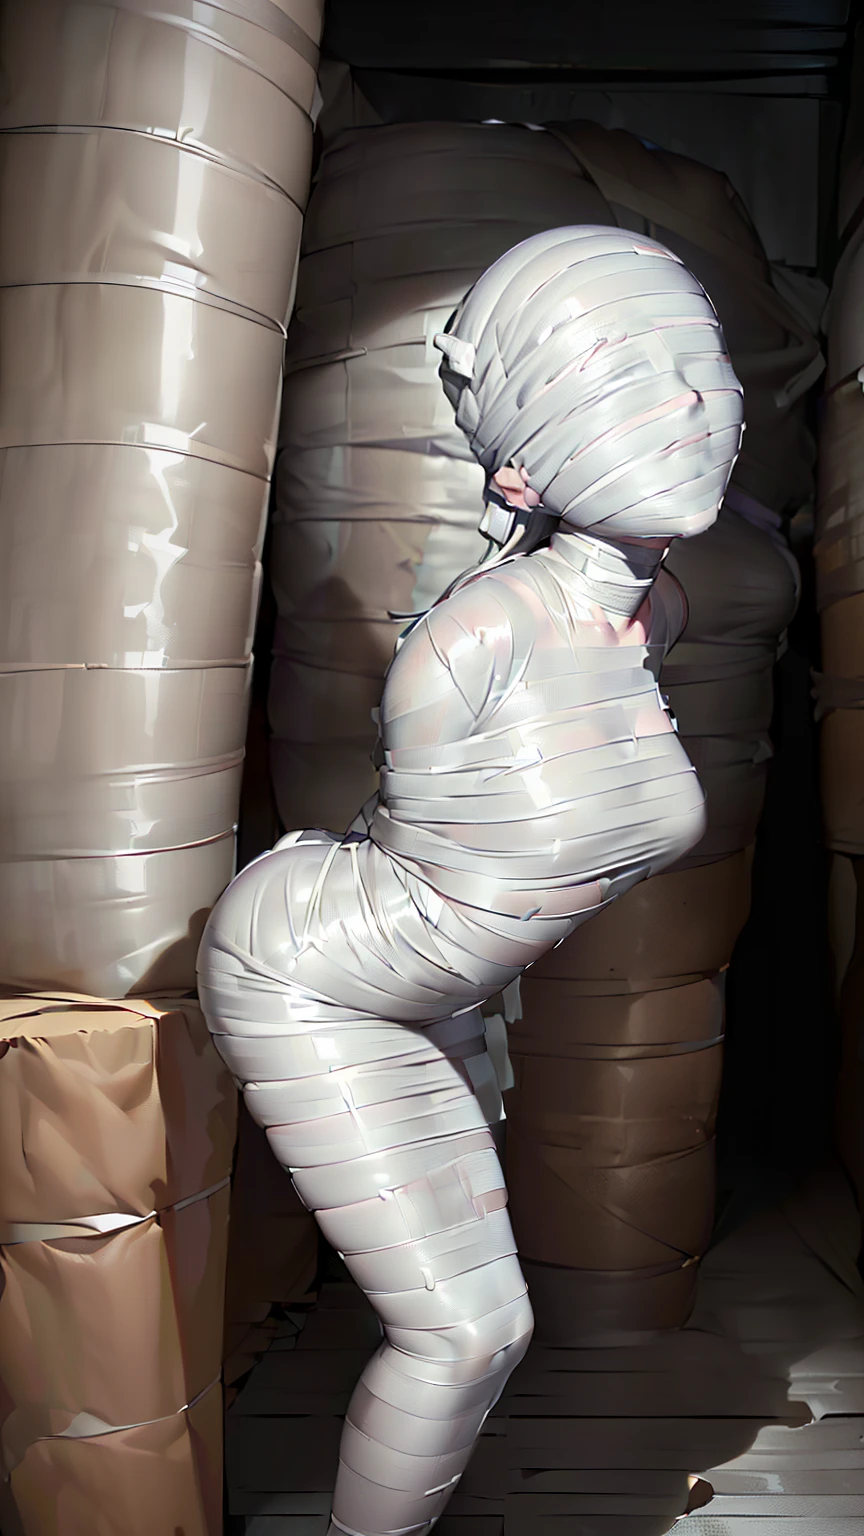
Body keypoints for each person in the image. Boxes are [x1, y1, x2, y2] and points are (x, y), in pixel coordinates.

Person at [198, 225, 744, 1536]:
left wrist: (466, 1032)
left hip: (431, 977)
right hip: (314, 974)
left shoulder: (658, 615)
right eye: (624, 378)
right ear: (519, 453)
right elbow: (428, 865)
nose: (682, 404)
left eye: (698, 367)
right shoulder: (476, 637)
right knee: (467, 1332)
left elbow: (486, 882)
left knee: (482, 1331)